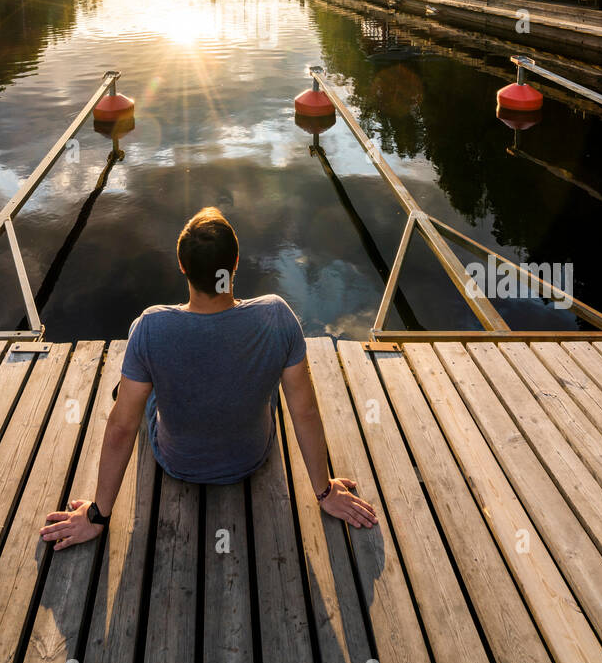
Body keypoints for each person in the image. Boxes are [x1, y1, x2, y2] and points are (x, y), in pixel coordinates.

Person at [40, 207, 377, 550]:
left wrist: (97, 514)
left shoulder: (150, 326)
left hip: (177, 460)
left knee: (141, 363)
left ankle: (136, 385)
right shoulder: (277, 316)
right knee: (274, 375)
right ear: (236, 263)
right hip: (251, 456)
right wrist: (324, 491)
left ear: (182, 265)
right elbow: (303, 412)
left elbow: (121, 428)